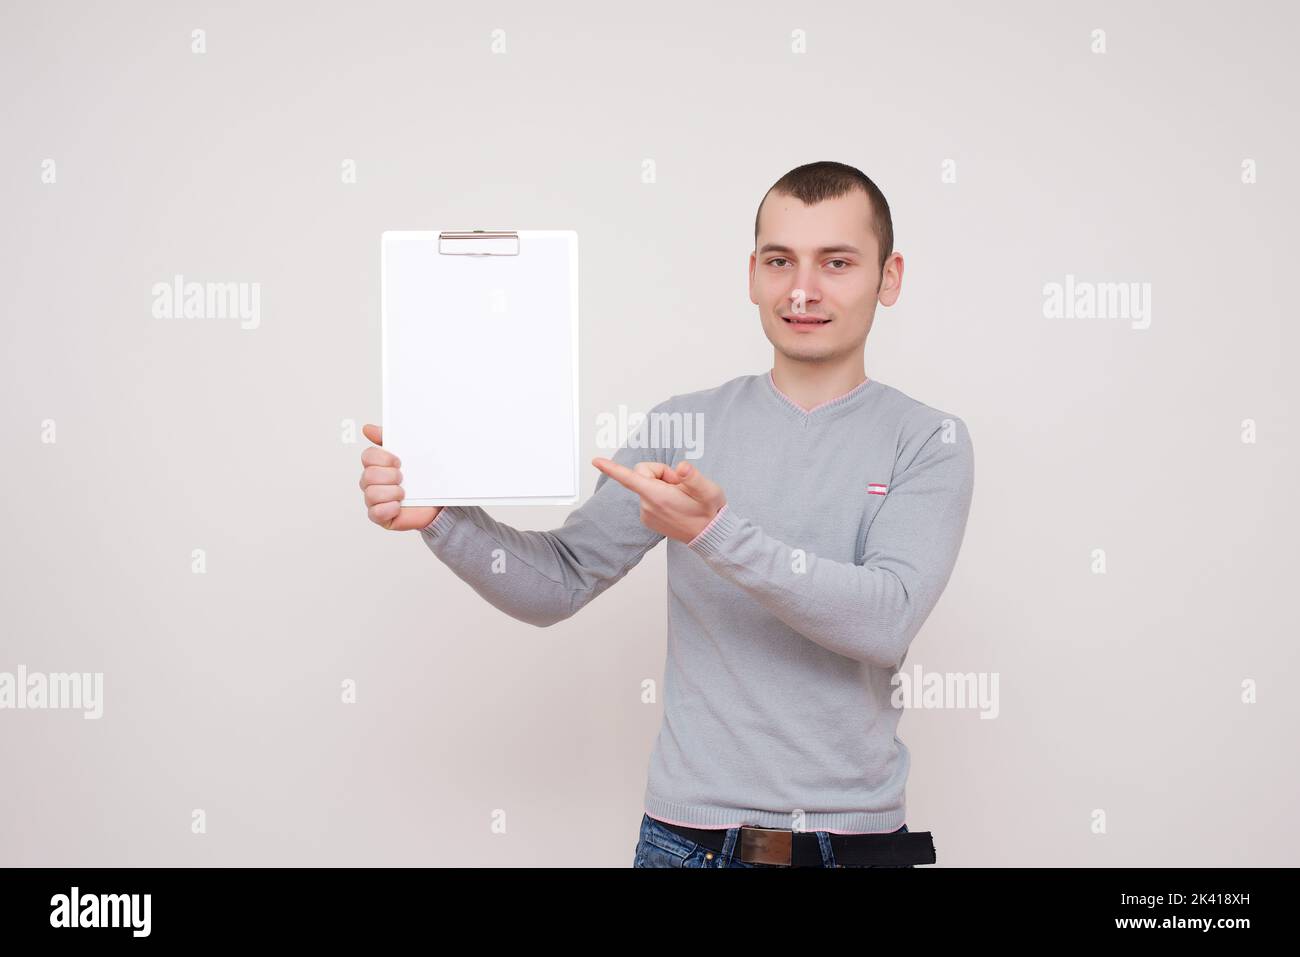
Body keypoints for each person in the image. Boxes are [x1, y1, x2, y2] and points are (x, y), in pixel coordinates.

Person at [359, 161, 975, 868]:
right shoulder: (683, 425)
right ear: (753, 274)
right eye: (781, 261)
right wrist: (442, 516)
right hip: (690, 846)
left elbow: (883, 619)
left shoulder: (929, 440)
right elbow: (559, 582)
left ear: (888, 276)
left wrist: (713, 533)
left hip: (861, 847)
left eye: (836, 262)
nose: (803, 289)